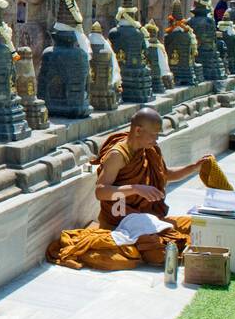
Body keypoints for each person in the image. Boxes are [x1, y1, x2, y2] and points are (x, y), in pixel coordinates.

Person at [47, 107, 215, 271]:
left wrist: (194, 167)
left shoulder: (150, 149)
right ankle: (111, 240)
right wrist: (135, 189)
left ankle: (147, 241)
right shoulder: (118, 154)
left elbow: (167, 174)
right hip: (121, 220)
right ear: (138, 130)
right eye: (154, 134)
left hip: (147, 218)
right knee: (160, 253)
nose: (157, 138)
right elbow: (101, 191)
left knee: (198, 225)